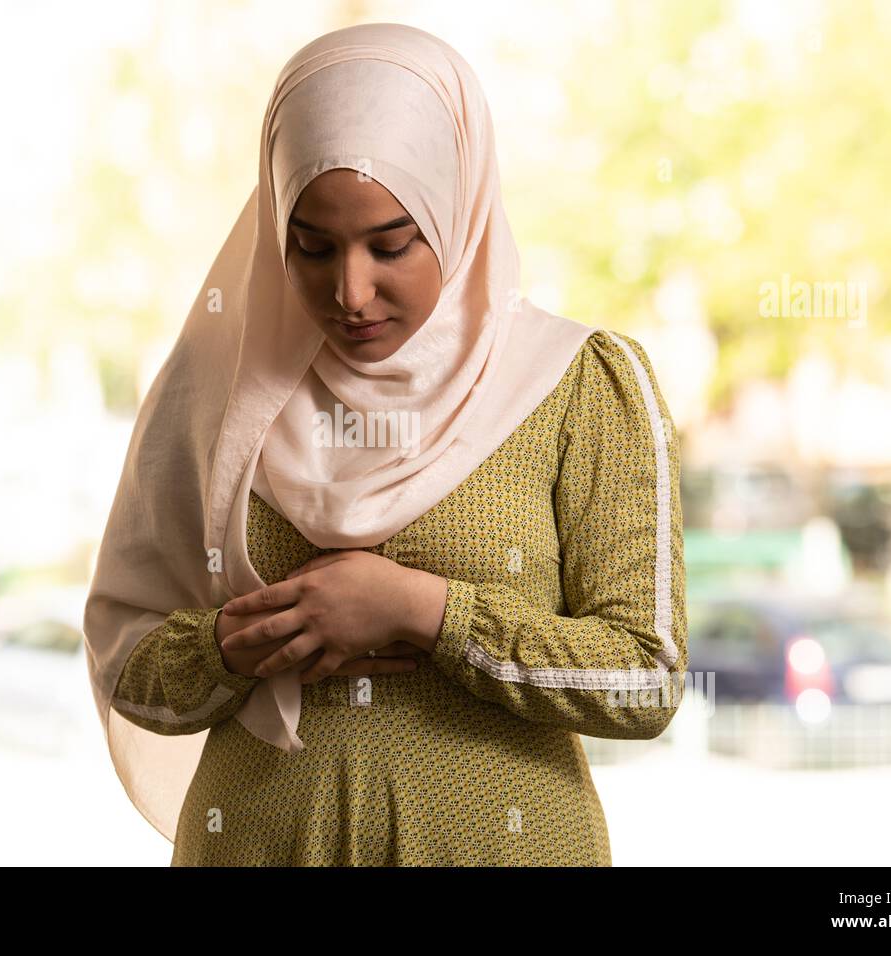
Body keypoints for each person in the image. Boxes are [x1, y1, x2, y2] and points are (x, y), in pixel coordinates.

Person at [83, 21, 687, 866]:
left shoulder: (574, 384)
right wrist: (233, 646)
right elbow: (129, 665)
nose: (350, 291)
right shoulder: (215, 397)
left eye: (391, 243)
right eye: (313, 245)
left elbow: (645, 678)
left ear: (457, 206)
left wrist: (421, 611)